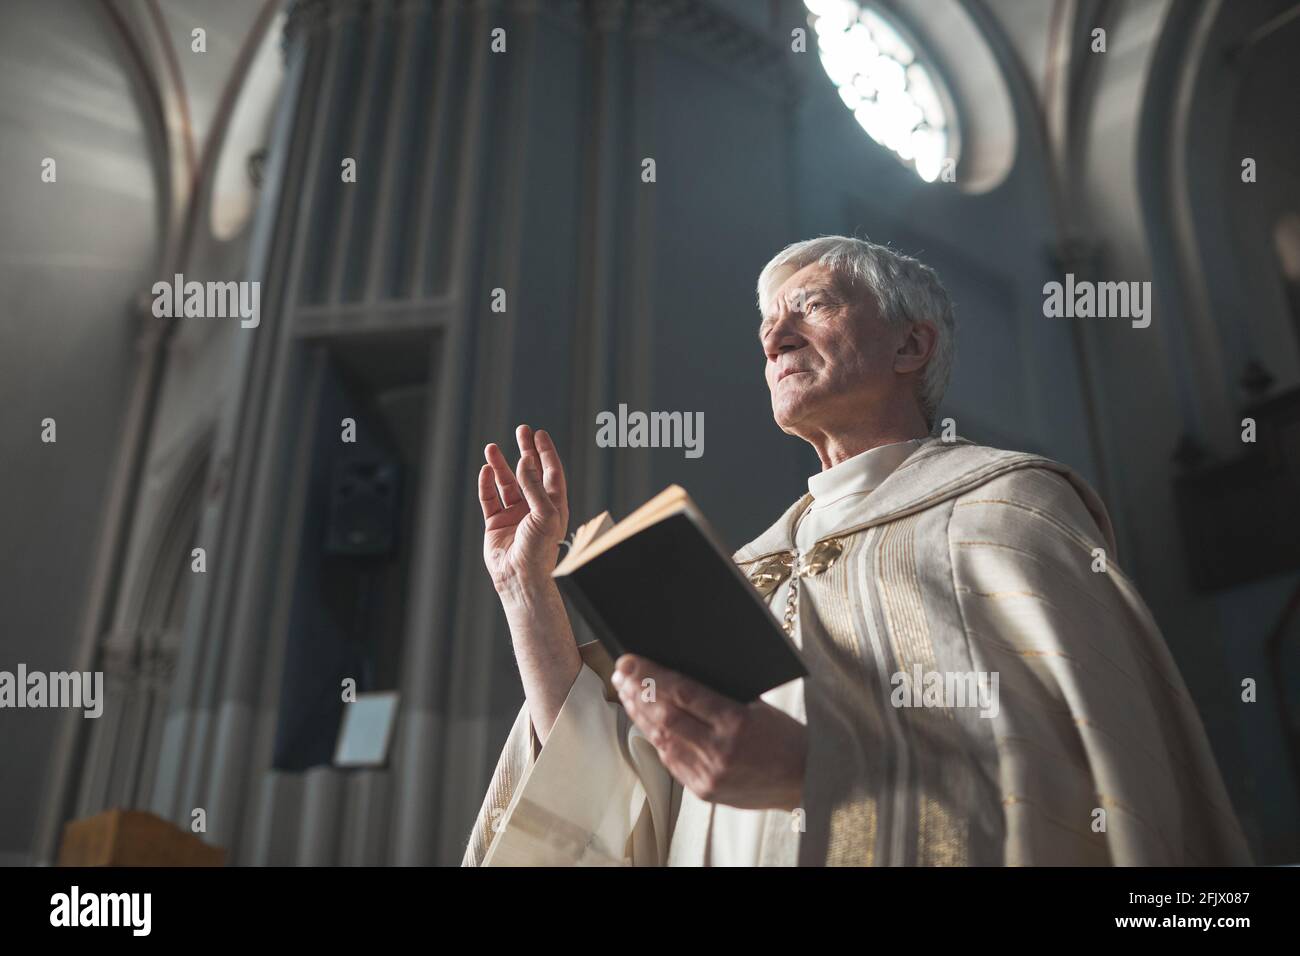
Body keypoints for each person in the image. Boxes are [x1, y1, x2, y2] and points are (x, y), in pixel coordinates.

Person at [462, 235, 1251, 866]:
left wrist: (818, 775)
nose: (774, 336)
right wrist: (526, 590)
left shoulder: (1009, 510)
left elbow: (1085, 788)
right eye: (767, 324)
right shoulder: (746, 570)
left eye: (811, 306)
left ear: (910, 346)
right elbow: (622, 785)